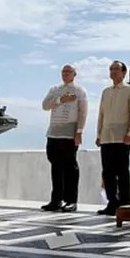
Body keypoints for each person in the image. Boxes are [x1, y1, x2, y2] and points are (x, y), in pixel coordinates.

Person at [41, 65, 87, 212]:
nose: (66, 74)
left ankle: (71, 200)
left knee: (70, 167)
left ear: (74, 74)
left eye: (69, 72)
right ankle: (56, 200)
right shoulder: (55, 90)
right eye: (64, 71)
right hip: (53, 132)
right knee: (55, 166)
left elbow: (82, 113)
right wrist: (61, 99)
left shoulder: (80, 91)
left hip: (69, 133)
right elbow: (45, 105)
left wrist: (79, 132)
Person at [96, 61, 130, 215]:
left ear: (124, 72)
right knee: (108, 172)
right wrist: (99, 134)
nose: (113, 72)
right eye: (111, 69)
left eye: (116, 69)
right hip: (106, 136)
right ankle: (112, 202)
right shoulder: (106, 91)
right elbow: (101, 114)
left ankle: (124, 202)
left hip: (122, 136)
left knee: (122, 170)